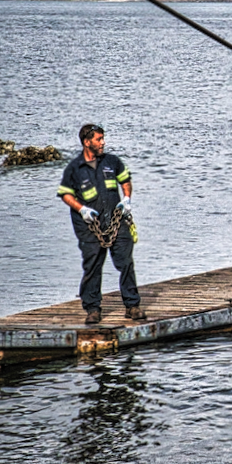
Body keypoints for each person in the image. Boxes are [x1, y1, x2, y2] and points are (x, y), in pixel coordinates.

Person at [57, 124, 145, 324]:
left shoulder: (112, 162)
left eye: (103, 138)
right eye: (98, 139)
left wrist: (127, 198)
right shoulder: (74, 169)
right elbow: (66, 194)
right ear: (87, 142)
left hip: (116, 220)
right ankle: (93, 309)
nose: (103, 142)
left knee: (125, 262)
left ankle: (132, 305)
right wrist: (82, 209)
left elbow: (125, 179)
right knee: (93, 265)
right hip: (89, 226)